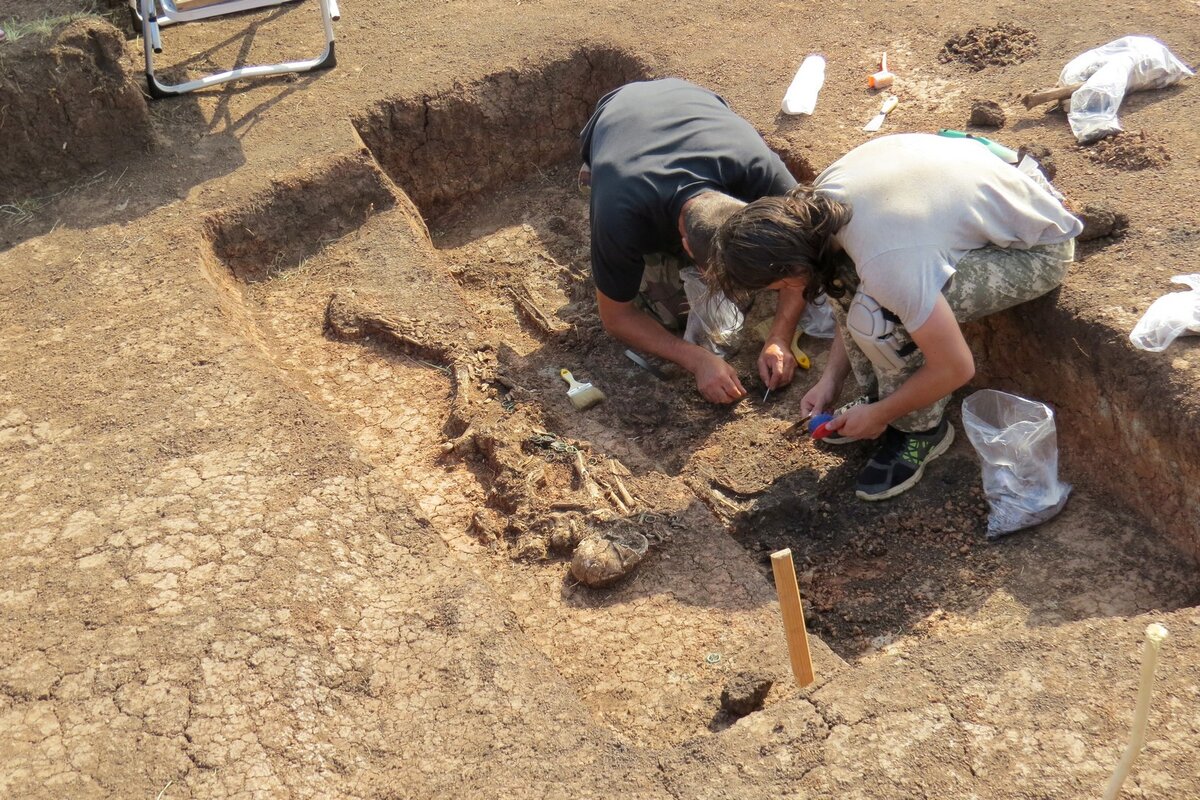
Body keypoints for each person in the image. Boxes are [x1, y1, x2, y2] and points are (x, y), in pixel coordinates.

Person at [709, 133, 1083, 500]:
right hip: (971, 203)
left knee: (882, 318)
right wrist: (831, 380)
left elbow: (955, 367)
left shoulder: (888, 261)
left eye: (776, 286)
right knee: (846, 283)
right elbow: (843, 283)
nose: (780, 293)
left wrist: (884, 412)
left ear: (789, 267)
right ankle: (879, 397)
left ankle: (919, 432)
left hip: (1037, 247)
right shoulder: (818, 209)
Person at [579, 78, 804, 404]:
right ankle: (589, 175)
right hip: (617, 116)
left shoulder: (758, 170)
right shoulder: (619, 214)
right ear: (685, 246)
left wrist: (779, 337)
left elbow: (800, 262)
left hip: (686, 98)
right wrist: (696, 359)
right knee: (672, 312)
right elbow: (616, 317)